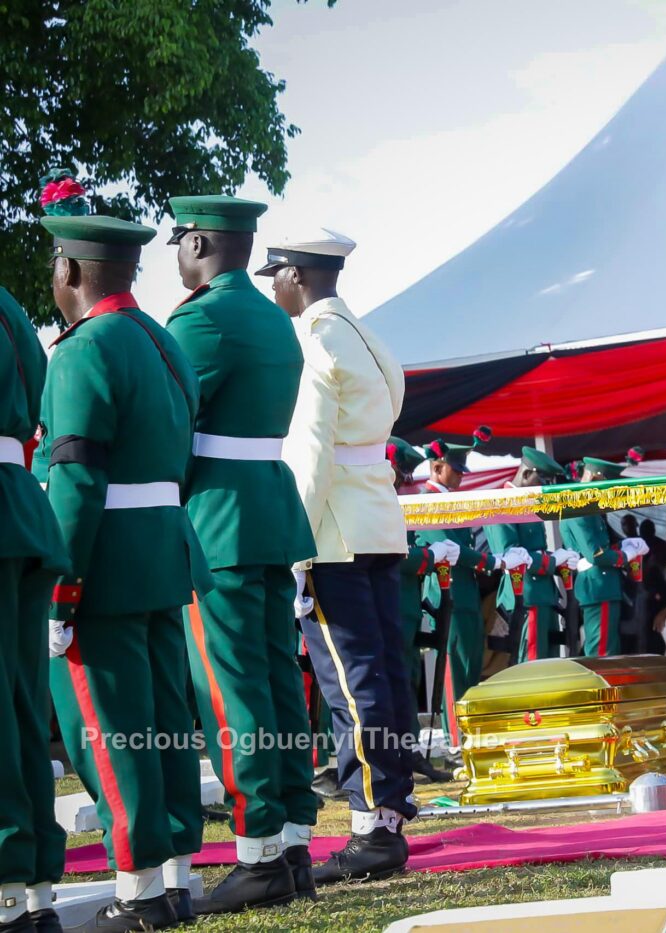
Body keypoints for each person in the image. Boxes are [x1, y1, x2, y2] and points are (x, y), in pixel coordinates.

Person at [38, 209, 206, 931]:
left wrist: (59, 586)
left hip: (103, 557)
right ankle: (173, 878)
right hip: (164, 550)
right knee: (166, 719)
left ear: (70, 270)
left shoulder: (83, 350)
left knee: (107, 726)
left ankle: (137, 893)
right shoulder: (164, 341)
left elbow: (75, 480)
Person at [161, 195, 321, 915]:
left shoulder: (201, 319)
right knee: (278, 683)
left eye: (178, 243)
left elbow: (166, 424)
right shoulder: (271, 317)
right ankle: (291, 842)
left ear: (198, 241)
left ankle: (256, 850)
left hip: (218, 518)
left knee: (233, 690)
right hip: (265, 509)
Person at [264, 227, 417, 884]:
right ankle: (389, 811)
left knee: (351, 683)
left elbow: (309, 452)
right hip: (378, 521)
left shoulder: (313, 340)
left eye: (276, 273)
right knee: (384, 671)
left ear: (296, 275)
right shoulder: (363, 334)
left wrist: (294, 544)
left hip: (334, 530)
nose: (272, 285)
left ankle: (370, 825)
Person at [0, 285, 69, 933]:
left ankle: (11, 880)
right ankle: (32, 881)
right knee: (20, 702)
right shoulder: (12, 307)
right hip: (21, 504)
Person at [415, 436, 506, 727]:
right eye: (454, 470)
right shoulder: (428, 501)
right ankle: (455, 734)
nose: (459, 476)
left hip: (465, 592)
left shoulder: (449, 501)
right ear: (437, 467)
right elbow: (450, 548)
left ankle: (468, 728)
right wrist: (488, 561)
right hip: (447, 593)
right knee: (453, 666)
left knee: (470, 663)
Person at [385, 438, 458, 785]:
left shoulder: (397, 501)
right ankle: (394, 753)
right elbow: (393, 552)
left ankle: (409, 750)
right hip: (389, 606)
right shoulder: (377, 500)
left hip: (408, 607)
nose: (404, 484)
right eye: (401, 475)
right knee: (390, 685)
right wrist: (429, 558)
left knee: (408, 681)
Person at [484, 447, 578, 663]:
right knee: (532, 667)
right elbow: (512, 556)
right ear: (526, 474)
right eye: (541, 481)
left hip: (543, 596)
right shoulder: (502, 504)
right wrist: (554, 560)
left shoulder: (527, 506)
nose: (543, 489)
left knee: (549, 665)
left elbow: (537, 552)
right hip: (525, 597)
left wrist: (559, 557)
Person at [561, 452, 650, 657]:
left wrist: (623, 545)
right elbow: (595, 554)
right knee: (602, 652)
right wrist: (625, 555)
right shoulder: (578, 506)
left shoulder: (588, 507)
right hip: (597, 585)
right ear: (594, 478)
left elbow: (603, 546)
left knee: (609, 649)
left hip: (603, 586)